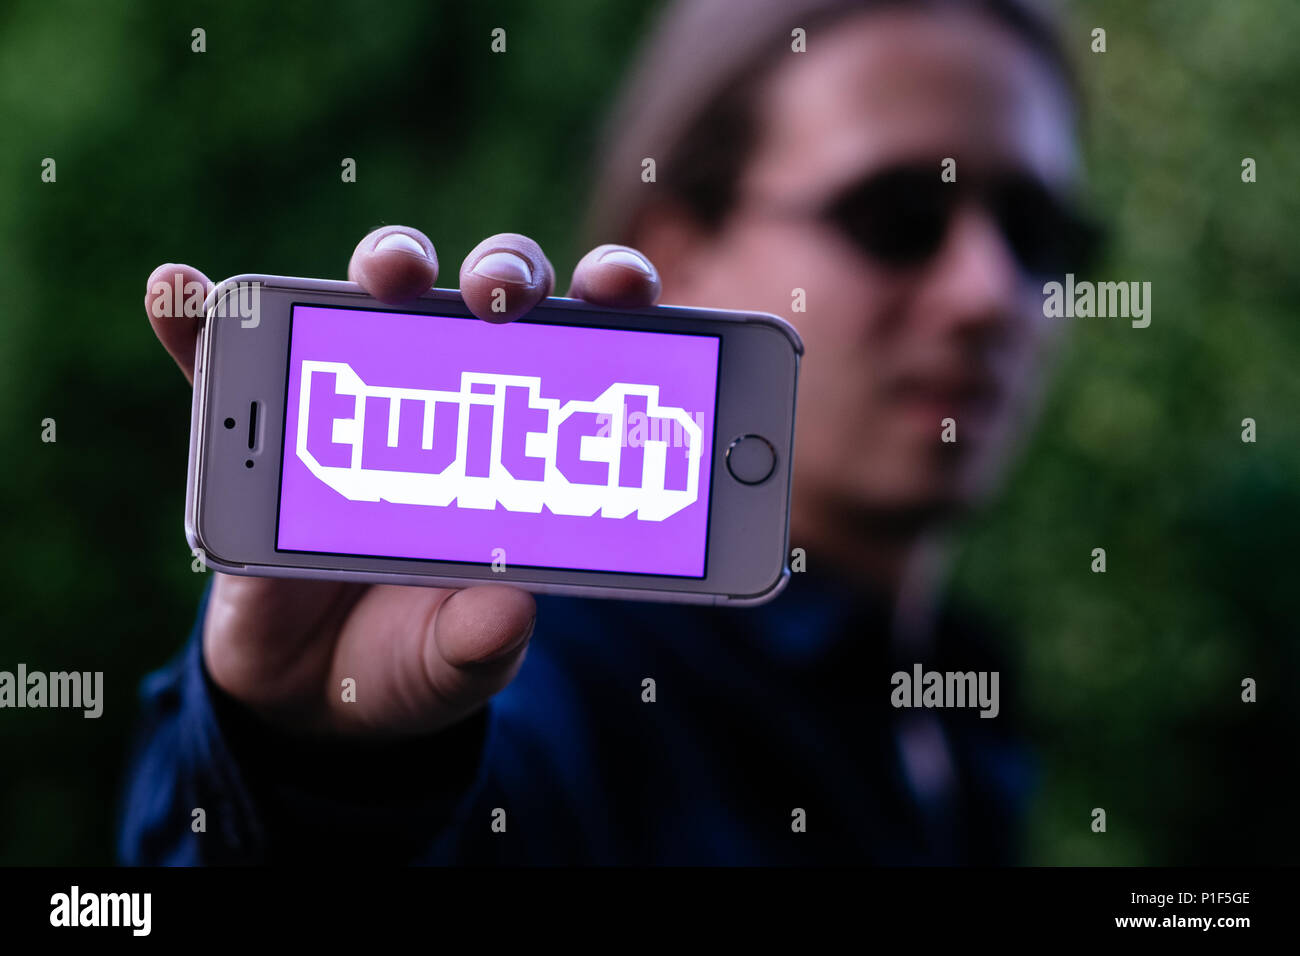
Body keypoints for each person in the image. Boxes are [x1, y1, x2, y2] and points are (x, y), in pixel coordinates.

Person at [119, 0, 1098, 864]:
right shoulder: (555, 674)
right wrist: (304, 764)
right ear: (675, 252)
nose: (987, 292)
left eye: (1035, 234)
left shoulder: (966, 712)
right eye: (896, 217)